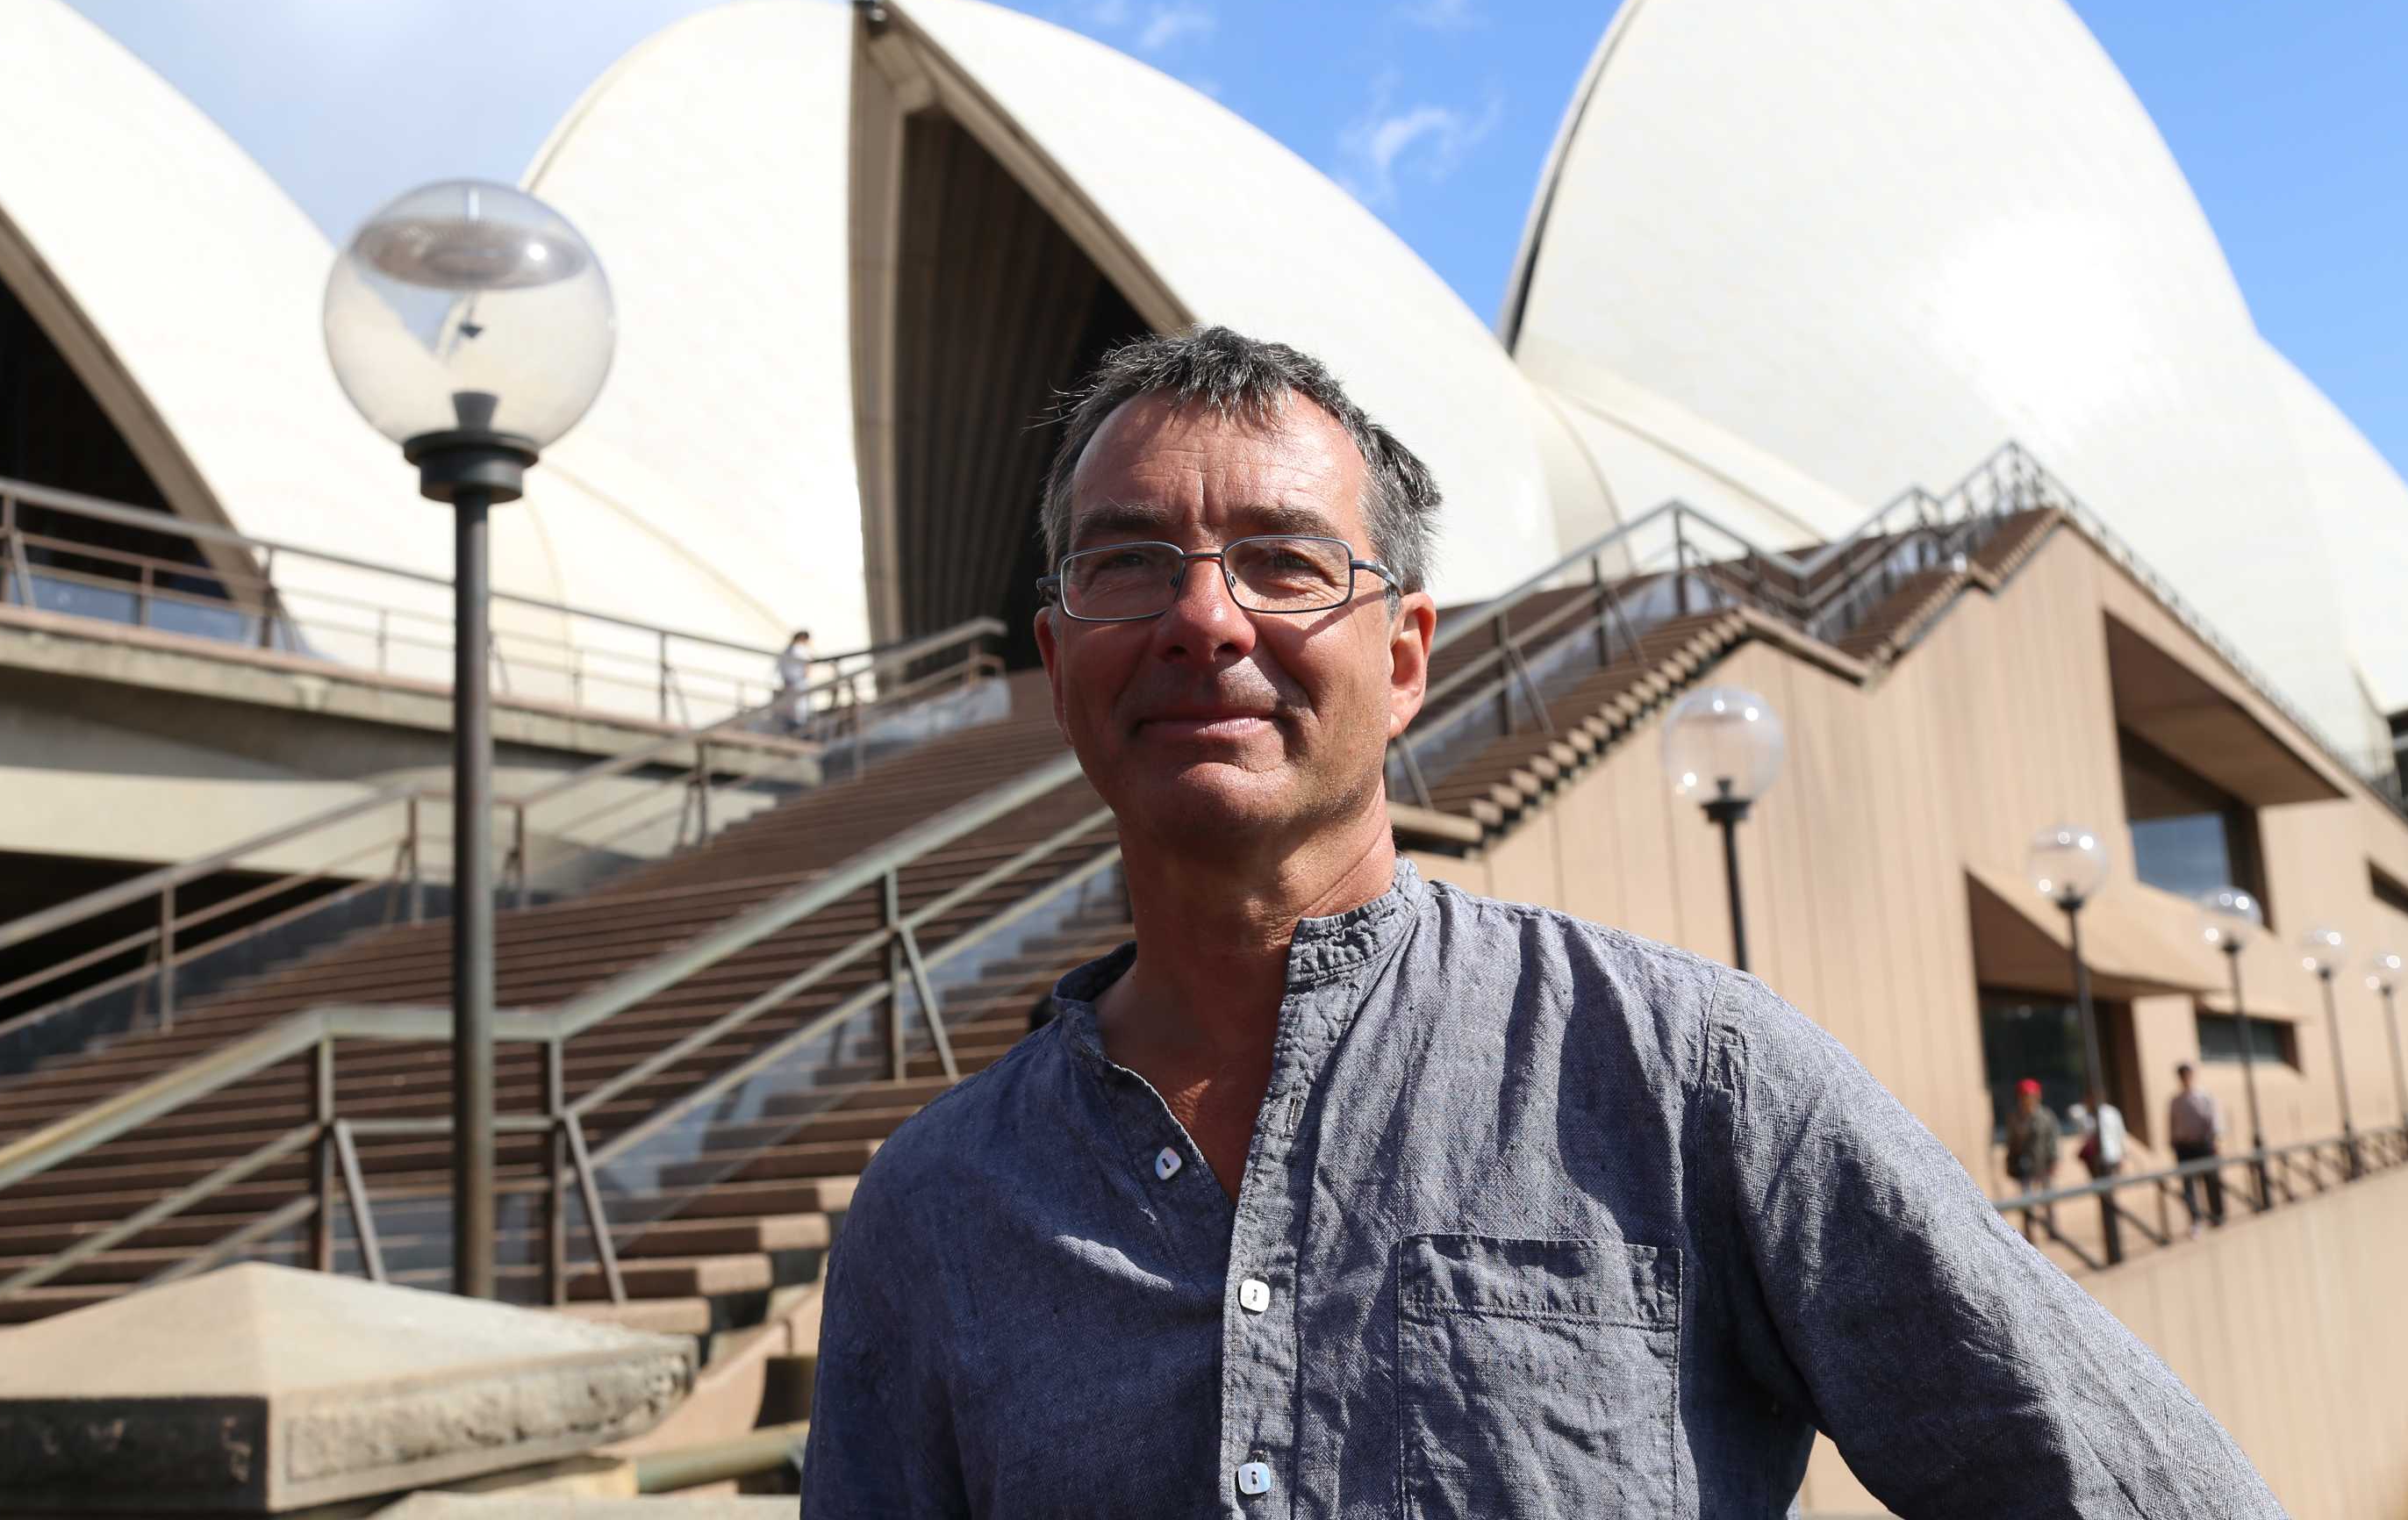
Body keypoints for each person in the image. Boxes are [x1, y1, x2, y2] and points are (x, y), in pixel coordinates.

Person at [805, 326, 2277, 1516]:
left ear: (1406, 658)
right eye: (1131, 563)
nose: (1207, 619)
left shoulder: (1689, 1078)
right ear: (1060, 665)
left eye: (1285, 560)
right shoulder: (932, 1212)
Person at [2168, 1062, 2226, 1234]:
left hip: (2204, 1145)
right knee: (2188, 1187)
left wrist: (2214, 1141)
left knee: (2212, 1181)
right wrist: (2174, 1143)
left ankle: (2217, 1215)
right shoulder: (2176, 1101)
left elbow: (2215, 1121)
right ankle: (2195, 1219)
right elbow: (2172, 1124)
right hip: (2185, 1148)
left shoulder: (2205, 1097)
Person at [2003, 1077, 2060, 1243]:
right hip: (2024, 1166)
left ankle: (2052, 1229)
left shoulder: (2045, 1116)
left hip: (2043, 1163)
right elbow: (2012, 1144)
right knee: (2026, 1201)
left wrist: (2053, 1160)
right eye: (2024, 1096)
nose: (2028, 1100)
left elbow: (2052, 1138)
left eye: (2031, 1096)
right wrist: (2011, 1163)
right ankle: (2030, 1233)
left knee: (2048, 1198)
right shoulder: (2015, 1118)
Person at [776, 628, 814, 734]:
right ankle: (800, 728)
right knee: (800, 706)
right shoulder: (799, 649)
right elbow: (807, 663)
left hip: (789, 681)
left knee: (792, 706)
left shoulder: (787, 650)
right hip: (798, 681)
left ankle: (794, 727)